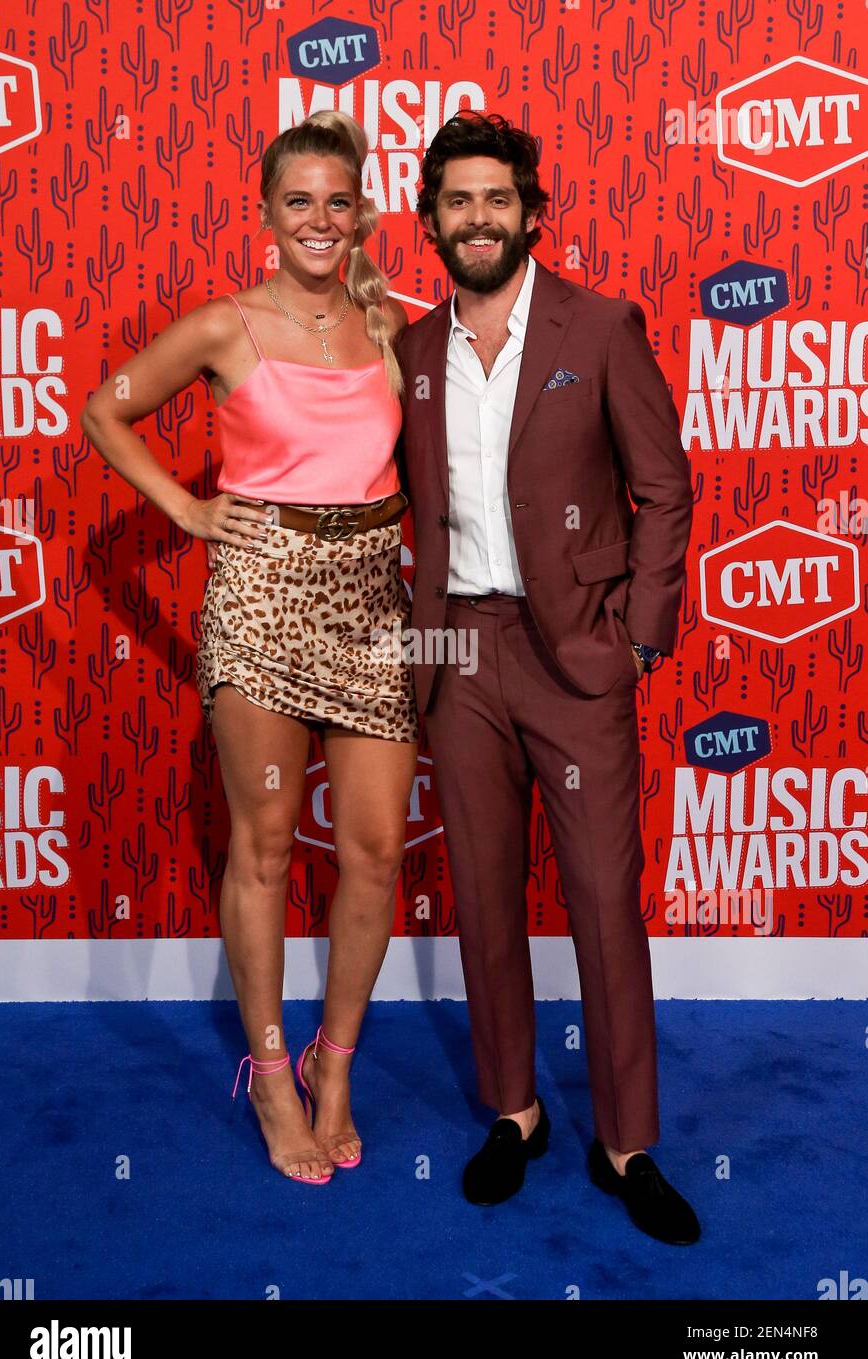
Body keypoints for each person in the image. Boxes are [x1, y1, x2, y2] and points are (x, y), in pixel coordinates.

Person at [81, 111, 418, 1186]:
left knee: (371, 854)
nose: (320, 219)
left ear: (363, 212)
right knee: (264, 849)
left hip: (372, 602)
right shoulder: (227, 325)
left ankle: (338, 1064)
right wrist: (183, 508)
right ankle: (271, 1070)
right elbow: (105, 409)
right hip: (263, 600)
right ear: (267, 213)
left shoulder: (394, 325)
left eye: (338, 200)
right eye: (298, 201)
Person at [393, 112, 700, 1242]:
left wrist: (640, 639)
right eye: (456, 201)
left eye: (495, 199)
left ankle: (626, 1144)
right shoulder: (415, 353)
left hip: (577, 656)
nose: (478, 218)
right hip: (456, 654)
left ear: (531, 211)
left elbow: (663, 488)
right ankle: (514, 1112)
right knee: (483, 898)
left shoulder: (602, 325)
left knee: (604, 907)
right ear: (430, 222)